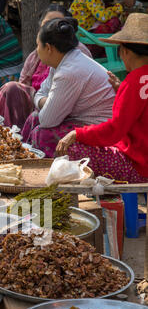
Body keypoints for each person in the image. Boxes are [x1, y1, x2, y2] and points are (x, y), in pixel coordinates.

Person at [56, 13, 148, 184]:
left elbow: (115, 130)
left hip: (139, 167)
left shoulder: (134, 81)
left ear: (125, 51)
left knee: (73, 149)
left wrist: (78, 133)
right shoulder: (136, 82)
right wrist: (122, 91)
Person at [21, 18, 115, 157]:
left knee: (42, 134)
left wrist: (44, 102)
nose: (36, 50)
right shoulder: (63, 61)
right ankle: (22, 158)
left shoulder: (69, 71)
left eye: (38, 45)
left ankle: (48, 172)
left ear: (48, 48)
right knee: (34, 117)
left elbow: (48, 120)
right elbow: (40, 93)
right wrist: (45, 102)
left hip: (101, 129)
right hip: (81, 120)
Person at [0, 4, 92, 129]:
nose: (50, 29)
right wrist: (38, 100)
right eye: (46, 24)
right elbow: (24, 85)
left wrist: (47, 103)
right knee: (11, 88)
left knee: (40, 128)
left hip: (66, 111)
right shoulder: (38, 54)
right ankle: (11, 134)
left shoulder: (76, 54)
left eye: (57, 24)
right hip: (38, 105)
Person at [70, 0, 135, 33]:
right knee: (114, 21)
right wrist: (121, 4)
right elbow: (102, 17)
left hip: (82, 31)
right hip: (83, 34)